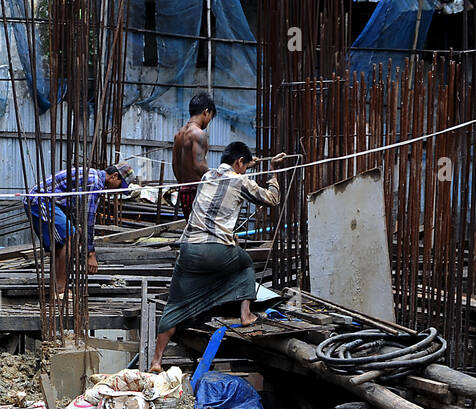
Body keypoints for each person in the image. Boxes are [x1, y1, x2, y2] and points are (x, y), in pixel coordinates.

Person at [151, 142, 286, 372]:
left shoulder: (206, 177)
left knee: (174, 304)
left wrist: (248, 163)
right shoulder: (240, 180)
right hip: (216, 251)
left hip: (189, 248)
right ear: (239, 163)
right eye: (244, 165)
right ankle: (246, 315)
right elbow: (272, 199)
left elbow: (233, 171)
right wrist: (273, 170)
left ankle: (156, 361)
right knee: (245, 264)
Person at [25, 163, 134, 298]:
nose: (117, 190)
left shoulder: (93, 176)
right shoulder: (95, 183)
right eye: (119, 185)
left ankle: (58, 287)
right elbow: (88, 219)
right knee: (70, 238)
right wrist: (90, 253)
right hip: (40, 201)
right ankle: (60, 289)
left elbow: (78, 213)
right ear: (114, 176)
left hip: (48, 202)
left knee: (62, 243)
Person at [172, 92, 216, 220]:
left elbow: (175, 165)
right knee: (202, 233)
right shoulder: (198, 134)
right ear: (206, 112)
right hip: (197, 191)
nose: (208, 122)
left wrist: (183, 184)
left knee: (193, 230)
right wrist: (217, 178)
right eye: (210, 117)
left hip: (184, 190)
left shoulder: (179, 134)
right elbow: (199, 166)